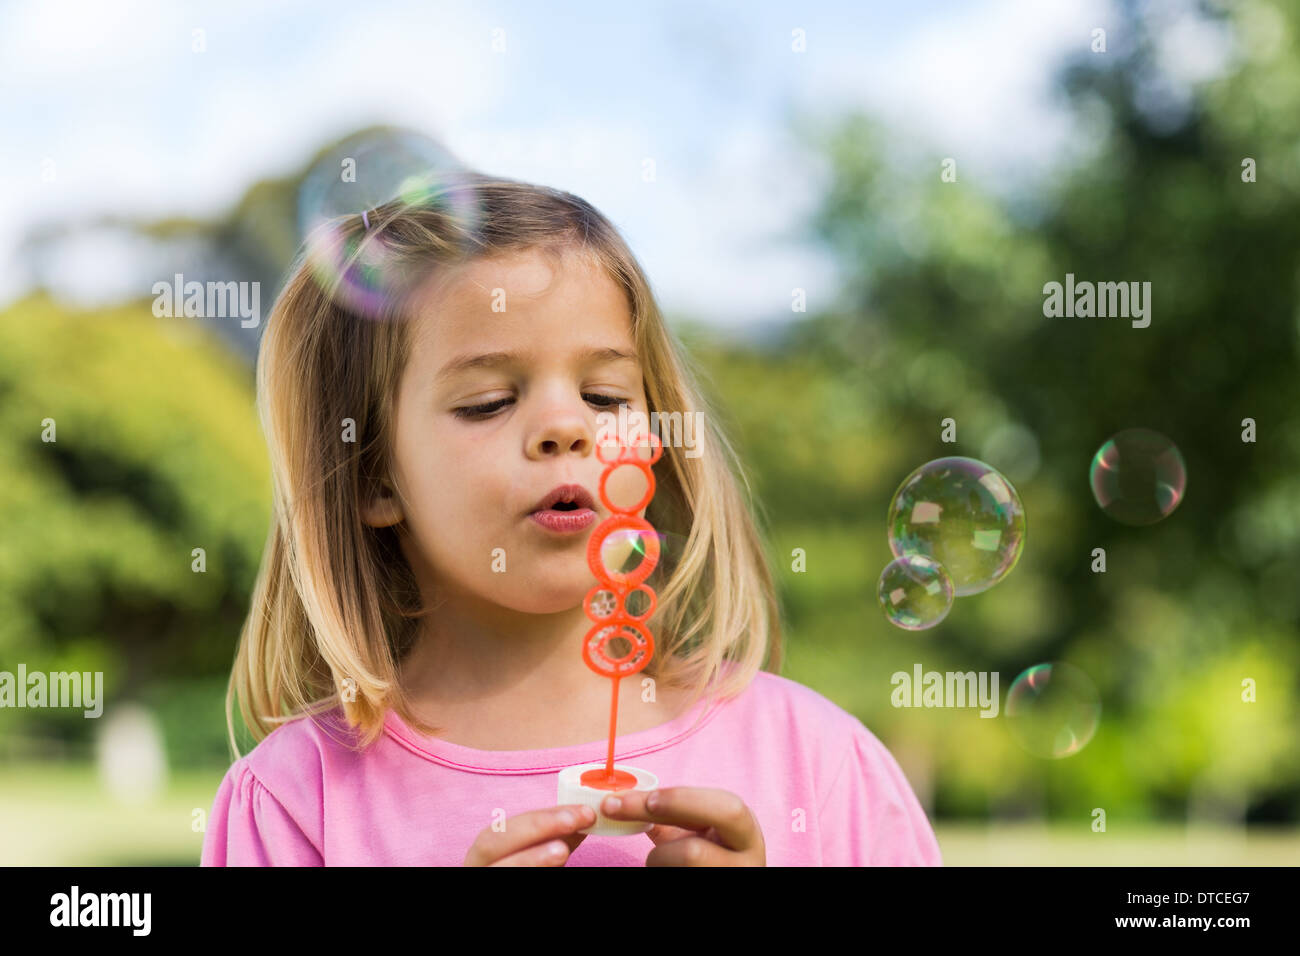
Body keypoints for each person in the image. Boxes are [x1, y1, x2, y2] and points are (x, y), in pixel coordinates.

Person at [199, 174, 942, 866]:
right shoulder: (296, 802)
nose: (566, 426)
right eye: (488, 402)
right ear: (373, 476)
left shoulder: (816, 761)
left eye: (606, 395)